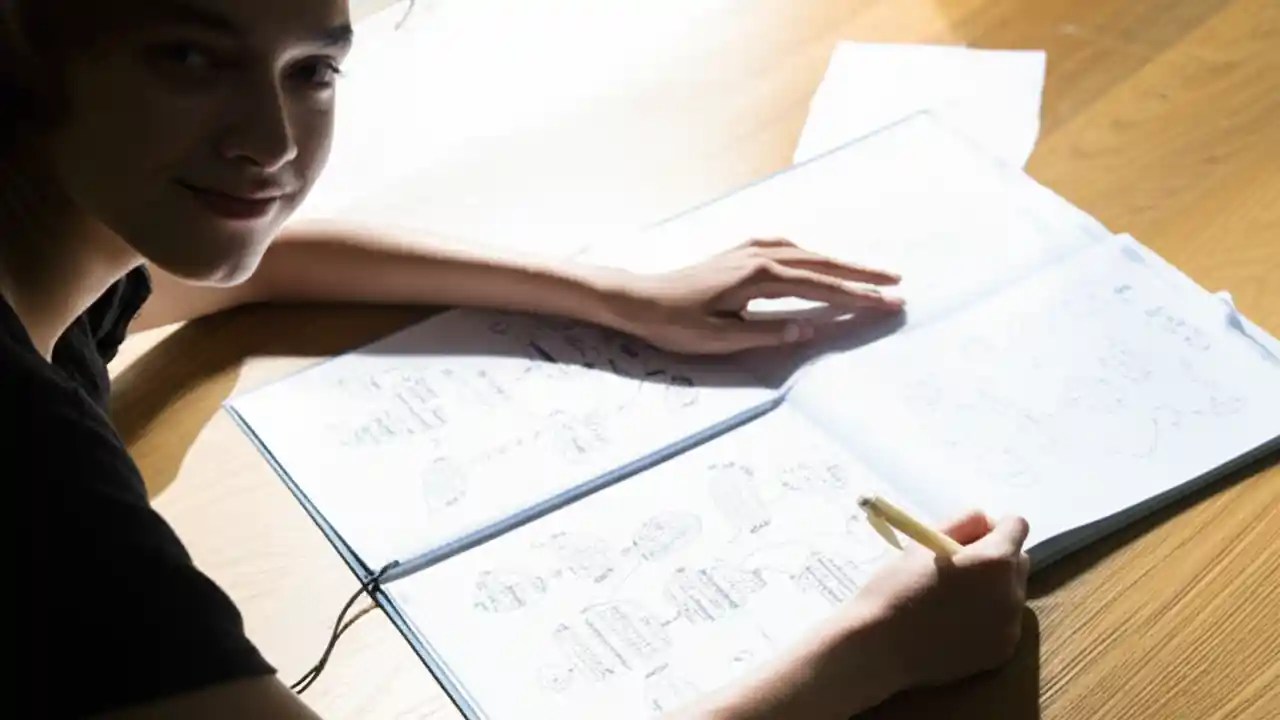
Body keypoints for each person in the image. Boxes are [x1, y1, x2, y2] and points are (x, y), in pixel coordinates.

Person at [2, 0, 1031, 717]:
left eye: (312, 70)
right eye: (189, 57)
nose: (269, 141)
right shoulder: (35, 472)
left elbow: (249, 271)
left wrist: (612, 291)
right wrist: (874, 651)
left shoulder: (69, 228)